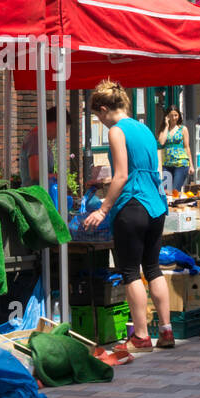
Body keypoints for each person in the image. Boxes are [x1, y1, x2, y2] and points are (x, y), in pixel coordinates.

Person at [82, 81, 172, 351]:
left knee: (131, 272)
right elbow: (148, 168)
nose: (100, 121)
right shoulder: (144, 128)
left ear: (104, 108)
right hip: (156, 204)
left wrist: (103, 208)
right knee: (154, 268)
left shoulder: (117, 131)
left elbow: (122, 175)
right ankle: (166, 331)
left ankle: (142, 336)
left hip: (132, 206)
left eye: (98, 116)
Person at [156, 106, 193, 192]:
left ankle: (175, 205)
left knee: (174, 191)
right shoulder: (164, 129)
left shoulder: (183, 129)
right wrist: (166, 125)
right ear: (167, 116)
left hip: (180, 163)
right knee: (164, 192)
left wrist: (191, 165)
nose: (173, 118)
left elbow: (187, 147)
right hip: (167, 164)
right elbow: (161, 142)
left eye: (176, 115)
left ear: (179, 116)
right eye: (171, 115)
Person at [19, 108, 58, 187]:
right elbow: (35, 174)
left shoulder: (39, 138)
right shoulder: (35, 137)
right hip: (34, 195)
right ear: (55, 124)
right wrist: (57, 176)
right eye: (64, 129)